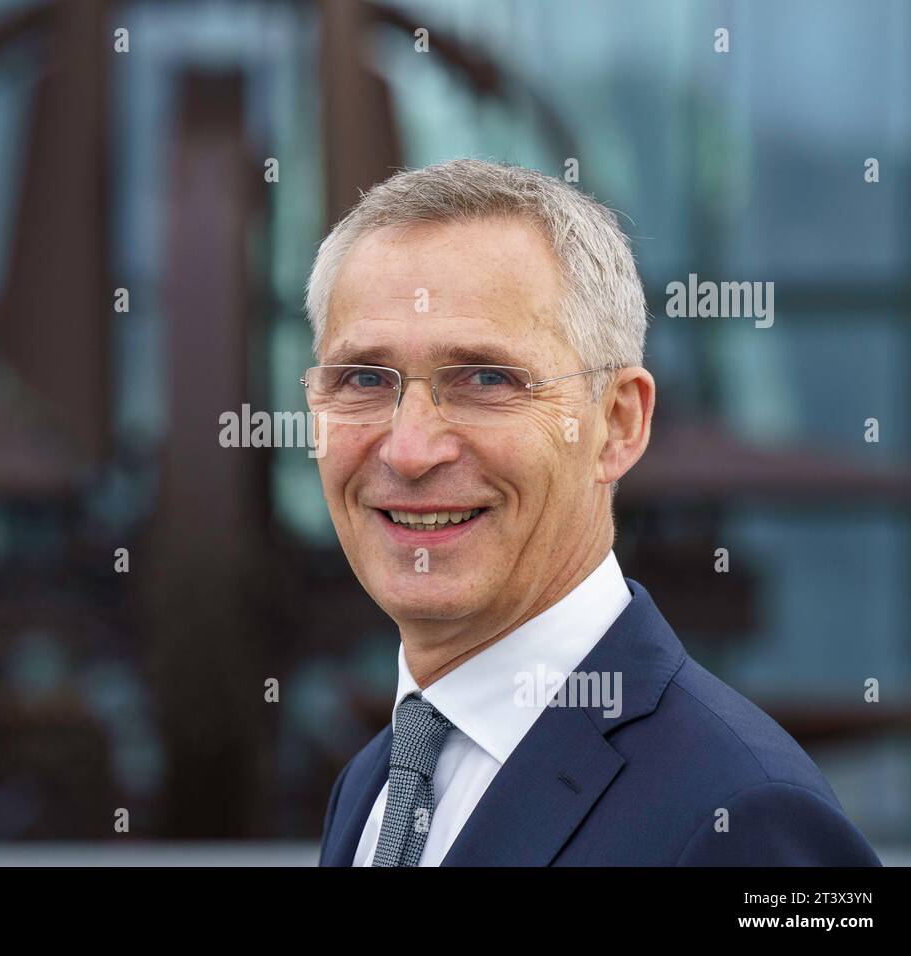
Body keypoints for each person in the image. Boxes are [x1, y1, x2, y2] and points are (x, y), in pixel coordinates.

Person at [306, 159, 881, 866]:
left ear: (617, 423)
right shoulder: (374, 786)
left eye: (486, 378)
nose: (410, 449)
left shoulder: (748, 818)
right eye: (363, 378)